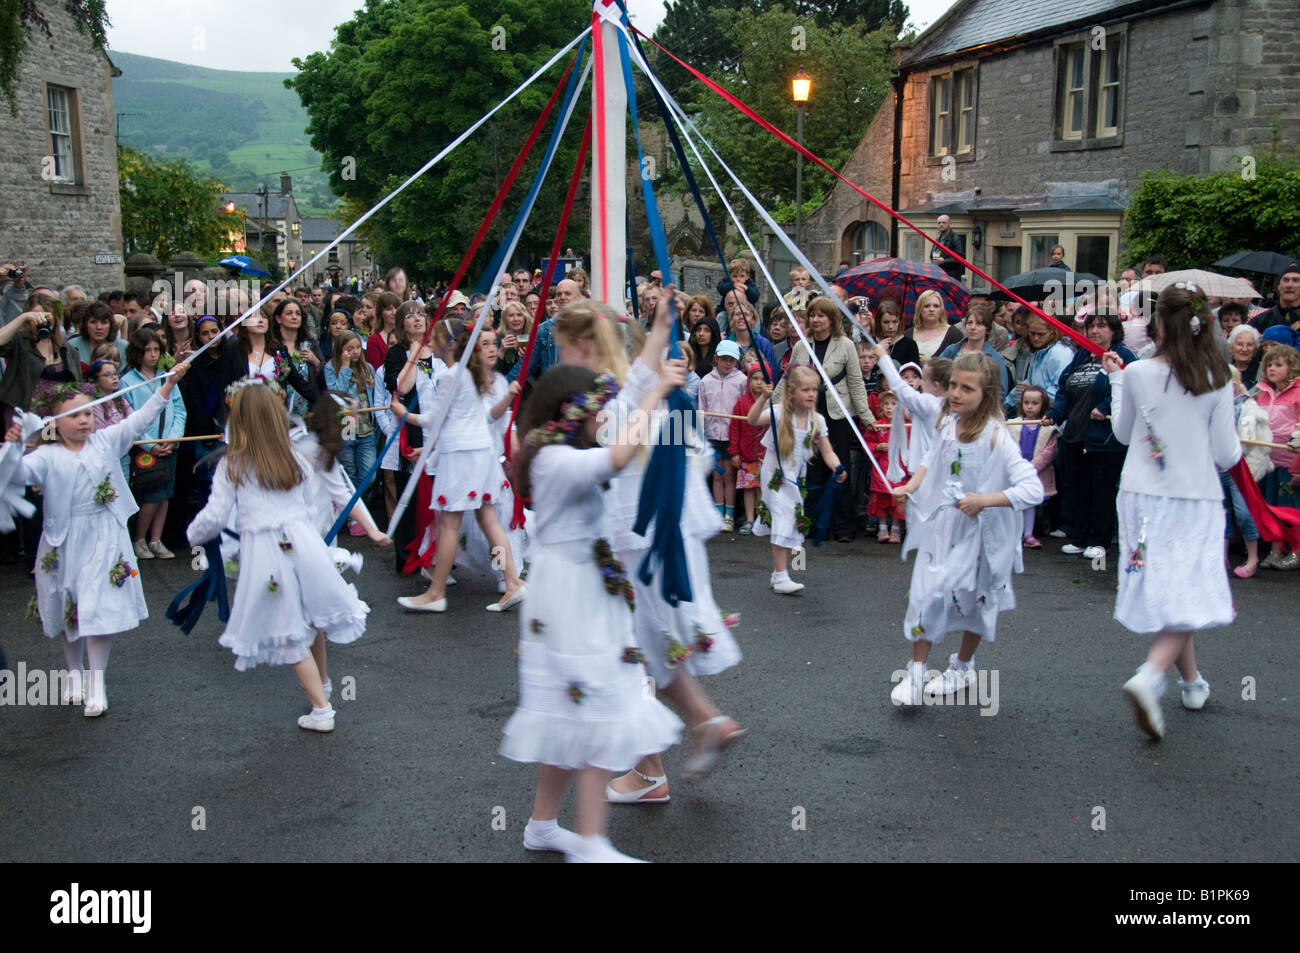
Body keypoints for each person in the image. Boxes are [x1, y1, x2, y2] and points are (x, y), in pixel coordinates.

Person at [500, 363, 685, 863]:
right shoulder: (552, 459)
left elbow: (623, 412)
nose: (604, 415)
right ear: (570, 410)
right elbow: (620, 456)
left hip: (586, 588)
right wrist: (660, 390)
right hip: (570, 596)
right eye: (595, 407)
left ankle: (543, 827)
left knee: (571, 710)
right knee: (591, 708)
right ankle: (592, 843)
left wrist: (656, 352)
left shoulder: (559, 450)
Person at [4, 362, 190, 716]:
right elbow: (17, 473)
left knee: (98, 606)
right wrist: (15, 444)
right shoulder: (46, 455)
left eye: (88, 412)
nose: (84, 421)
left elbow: (139, 419)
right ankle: (74, 674)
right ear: (53, 423)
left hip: (104, 536)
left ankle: (96, 682)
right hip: (64, 540)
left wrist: (168, 385)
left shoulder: (106, 441)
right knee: (69, 606)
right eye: (73, 416)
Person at [186, 381, 370, 732]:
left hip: (266, 549)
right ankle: (323, 693)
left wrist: (192, 535)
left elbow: (214, 515)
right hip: (304, 542)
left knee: (286, 626)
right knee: (302, 615)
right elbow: (303, 504)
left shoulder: (233, 465)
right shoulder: (295, 459)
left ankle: (322, 709)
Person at [1104, 285, 1239, 739]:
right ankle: (1151, 674)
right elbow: (1226, 454)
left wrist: (1120, 381)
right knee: (1190, 588)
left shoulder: (1139, 372)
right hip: (1193, 497)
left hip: (1140, 495)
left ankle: (1191, 682)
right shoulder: (1219, 377)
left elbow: (1123, 436)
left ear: (1160, 324)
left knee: (1177, 589)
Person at [888, 353, 1044, 705]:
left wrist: (984, 500)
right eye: (954, 385)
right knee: (926, 595)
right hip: (945, 526)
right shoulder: (948, 422)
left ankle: (962, 666)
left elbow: (1031, 489)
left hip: (981, 533)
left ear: (986, 393)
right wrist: (910, 487)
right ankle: (915, 673)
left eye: (966, 388)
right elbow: (932, 459)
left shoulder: (996, 437)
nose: (955, 393)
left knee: (973, 601)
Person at [392, 327, 526, 613]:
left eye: (436, 338)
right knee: (489, 521)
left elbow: (432, 420)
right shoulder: (473, 375)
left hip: (461, 458)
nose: (431, 342)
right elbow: (484, 416)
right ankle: (512, 581)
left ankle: (436, 592)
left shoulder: (451, 376)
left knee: (450, 524)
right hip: (482, 456)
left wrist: (402, 413)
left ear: (450, 344)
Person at [776, 296, 875, 541]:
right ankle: (814, 522)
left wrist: (867, 415)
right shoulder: (801, 346)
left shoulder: (846, 345)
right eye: (813, 315)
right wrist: (772, 405)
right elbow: (788, 379)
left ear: (832, 319)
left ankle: (843, 526)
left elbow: (855, 382)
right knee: (811, 468)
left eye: (821, 315)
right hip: (807, 413)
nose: (816, 319)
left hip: (837, 414)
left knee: (838, 467)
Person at [748, 365, 848, 594]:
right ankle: (782, 577)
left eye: (815, 389)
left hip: (796, 477)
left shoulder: (817, 420)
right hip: (775, 474)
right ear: (792, 392)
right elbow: (752, 420)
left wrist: (837, 466)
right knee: (783, 518)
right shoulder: (780, 413)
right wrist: (763, 396)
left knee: (792, 520)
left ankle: (778, 573)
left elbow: (827, 451)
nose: (812, 394)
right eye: (806, 390)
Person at [1047, 311, 1136, 560]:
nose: (1095, 331)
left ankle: (1100, 540)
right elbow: (1065, 386)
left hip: (1104, 437)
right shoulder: (1083, 354)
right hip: (1076, 431)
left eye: (1102, 326)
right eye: (1091, 327)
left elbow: (1128, 387)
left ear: (1114, 330)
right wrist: (1055, 412)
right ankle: (1080, 536)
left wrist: (1106, 406)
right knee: (1077, 487)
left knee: (1102, 489)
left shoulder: (1124, 355)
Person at [120, 328, 186, 560]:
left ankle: (156, 539)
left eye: (156, 349)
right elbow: (129, 417)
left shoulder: (167, 376)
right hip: (145, 446)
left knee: (165, 493)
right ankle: (139, 538)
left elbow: (179, 409)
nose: (152, 354)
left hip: (168, 444)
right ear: (137, 352)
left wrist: (173, 438)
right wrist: (149, 445)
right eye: (147, 350)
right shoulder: (127, 381)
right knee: (151, 493)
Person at [1253, 343, 1300, 570]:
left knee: (1291, 509)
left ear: (1292, 367)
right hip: (1268, 461)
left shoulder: (1298, 392)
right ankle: (1275, 550)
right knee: (1271, 507)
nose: (1272, 368)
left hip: (1290, 463)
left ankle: (1296, 551)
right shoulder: (1261, 392)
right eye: (1269, 364)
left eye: (1278, 365)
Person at [1222, 368, 1271, 579]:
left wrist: (1251, 469)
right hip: (1215, 466)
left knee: (1243, 513)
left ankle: (1253, 557)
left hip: (1240, 467)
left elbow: (1259, 443)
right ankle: (1221, 556)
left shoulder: (1248, 406)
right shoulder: (1209, 404)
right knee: (1220, 514)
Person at [324, 330, 378, 514]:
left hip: (366, 428)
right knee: (349, 472)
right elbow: (337, 395)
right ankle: (352, 514)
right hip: (346, 428)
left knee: (370, 474)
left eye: (357, 348)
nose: (354, 352)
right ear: (340, 350)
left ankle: (353, 509)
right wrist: (345, 368)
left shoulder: (368, 368)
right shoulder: (331, 368)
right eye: (349, 349)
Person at [698, 339, 747, 531]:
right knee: (717, 475)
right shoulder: (705, 381)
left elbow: (743, 406)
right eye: (724, 359)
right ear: (716, 358)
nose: (728, 363)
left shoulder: (742, 380)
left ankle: (729, 516)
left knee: (729, 475)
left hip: (730, 436)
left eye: (732, 360)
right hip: (712, 434)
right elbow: (701, 408)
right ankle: (718, 514)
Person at [1008, 385, 1056, 549]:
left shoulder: (1048, 427)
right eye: (1026, 402)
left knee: (1030, 503)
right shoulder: (1012, 425)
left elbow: (1050, 451)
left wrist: (1032, 466)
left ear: (1043, 405)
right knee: (1015, 501)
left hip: (1036, 472)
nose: (1029, 406)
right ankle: (1015, 533)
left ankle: (1028, 533)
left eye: (1034, 403)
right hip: (1016, 470)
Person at [940, 305, 1013, 397]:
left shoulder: (995, 358)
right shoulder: (952, 350)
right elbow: (937, 374)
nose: (973, 327)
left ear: (987, 328)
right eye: (969, 323)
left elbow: (1000, 392)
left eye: (979, 324)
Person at [729, 362, 767, 535]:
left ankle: (762, 518)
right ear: (749, 380)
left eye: (762, 379)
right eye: (755, 378)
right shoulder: (742, 403)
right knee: (749, 488)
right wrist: (734, 452)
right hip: (746, 455)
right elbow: (734, 428)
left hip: (765, 455)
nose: (758, 383)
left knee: (762, 488)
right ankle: (750, 519)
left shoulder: (770, 404)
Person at [865, 390, 907, 543]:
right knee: (881, 499)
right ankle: (882, 528)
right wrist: (877, 447)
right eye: (886, 404)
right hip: (881, 468)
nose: (889, 407)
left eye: (894, 404)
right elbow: (867, 442)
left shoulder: (906, 425)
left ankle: (896, 529)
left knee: (898, 499)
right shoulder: (878, 425)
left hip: (899, 468)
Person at [904, 290, 962, 362]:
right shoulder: (907, 334)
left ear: (941, 310)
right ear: (919, 309)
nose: (931, 309)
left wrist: (932, 362)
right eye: (926, 306)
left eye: (936, 306)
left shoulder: (954, 334)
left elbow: (958, 364)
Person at [67, 301, 128, 366]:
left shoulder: (124, 347)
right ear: (85, 324)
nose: (99, 327)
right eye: (93, 322)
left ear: (111, 325)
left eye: (104, 322)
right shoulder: (72, 345)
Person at [1249, 261, 1300, 333]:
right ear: (1278, 286)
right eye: (1286, 280)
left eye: (1295, 280)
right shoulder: (1261, 321)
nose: (1289, 285)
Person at [931, 214, 966, 281]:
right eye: (939, 223)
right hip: (938, 274)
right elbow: (934, 255)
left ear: (949, 224)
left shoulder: (956, 239)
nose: (941, 224)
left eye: (944, 222)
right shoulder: (938, 239)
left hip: (951, 276)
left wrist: (944, 261)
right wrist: (935, 260)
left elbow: (960, 258)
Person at [1227, 324, 1262, 389]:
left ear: (1255, 349)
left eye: (1249, 345)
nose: (1244, 349)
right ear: (1231, 347)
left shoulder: (1263, 371)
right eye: (1240, 344)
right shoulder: (1223, 370)